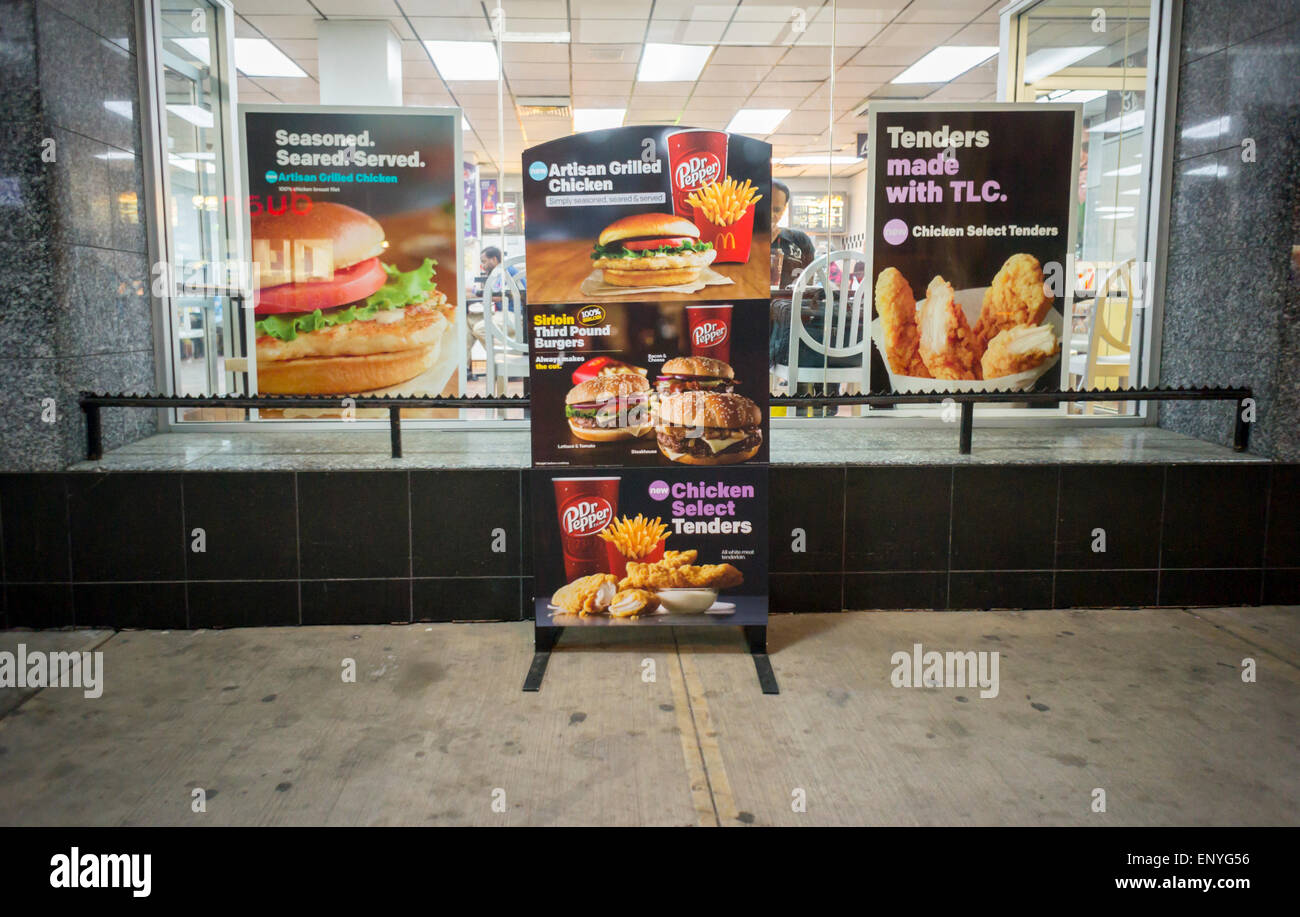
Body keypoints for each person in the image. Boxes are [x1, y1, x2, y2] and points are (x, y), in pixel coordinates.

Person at [770, 180, 815, 287]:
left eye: (776, 210)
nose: (771, 215)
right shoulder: (740, 240)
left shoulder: (799, 240)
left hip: (791, 302)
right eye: (766, 208)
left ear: (784, 209)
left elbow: (809, 283)